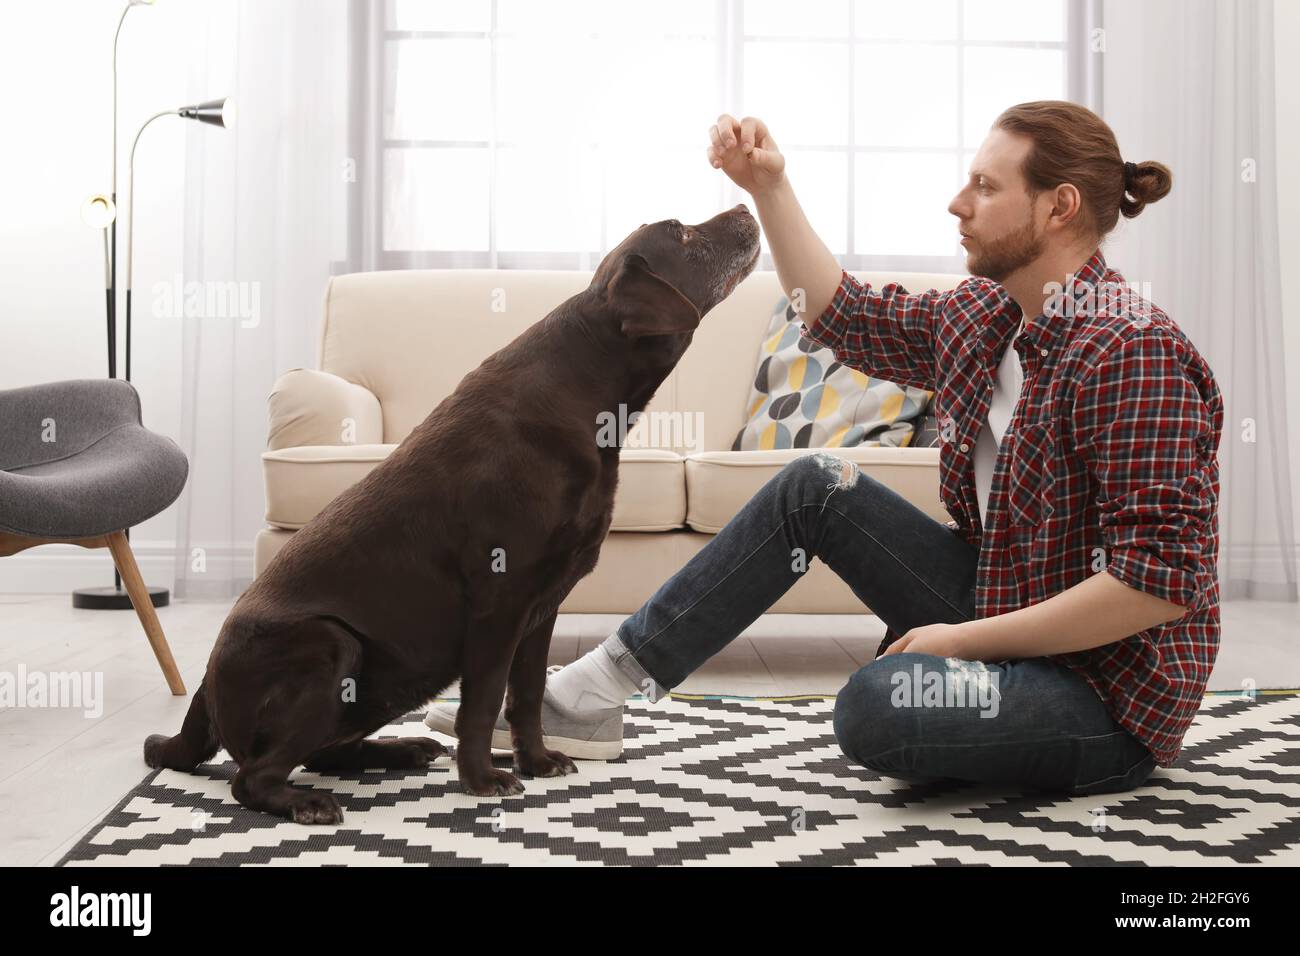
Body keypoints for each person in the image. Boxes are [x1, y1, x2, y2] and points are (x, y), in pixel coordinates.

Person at [427, 100, 1223, 796]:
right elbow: (839, 313)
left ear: (1059, 207)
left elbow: (1156, 587)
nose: (958, 203)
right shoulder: (985, 316)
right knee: (817, 485)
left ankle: (1038, 732)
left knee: (880, 706)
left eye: (985, 186)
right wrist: (767, 185)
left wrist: (961, 643)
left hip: (1106, 691)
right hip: (1005, 605)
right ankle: (590, 697)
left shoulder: (1129, 350)